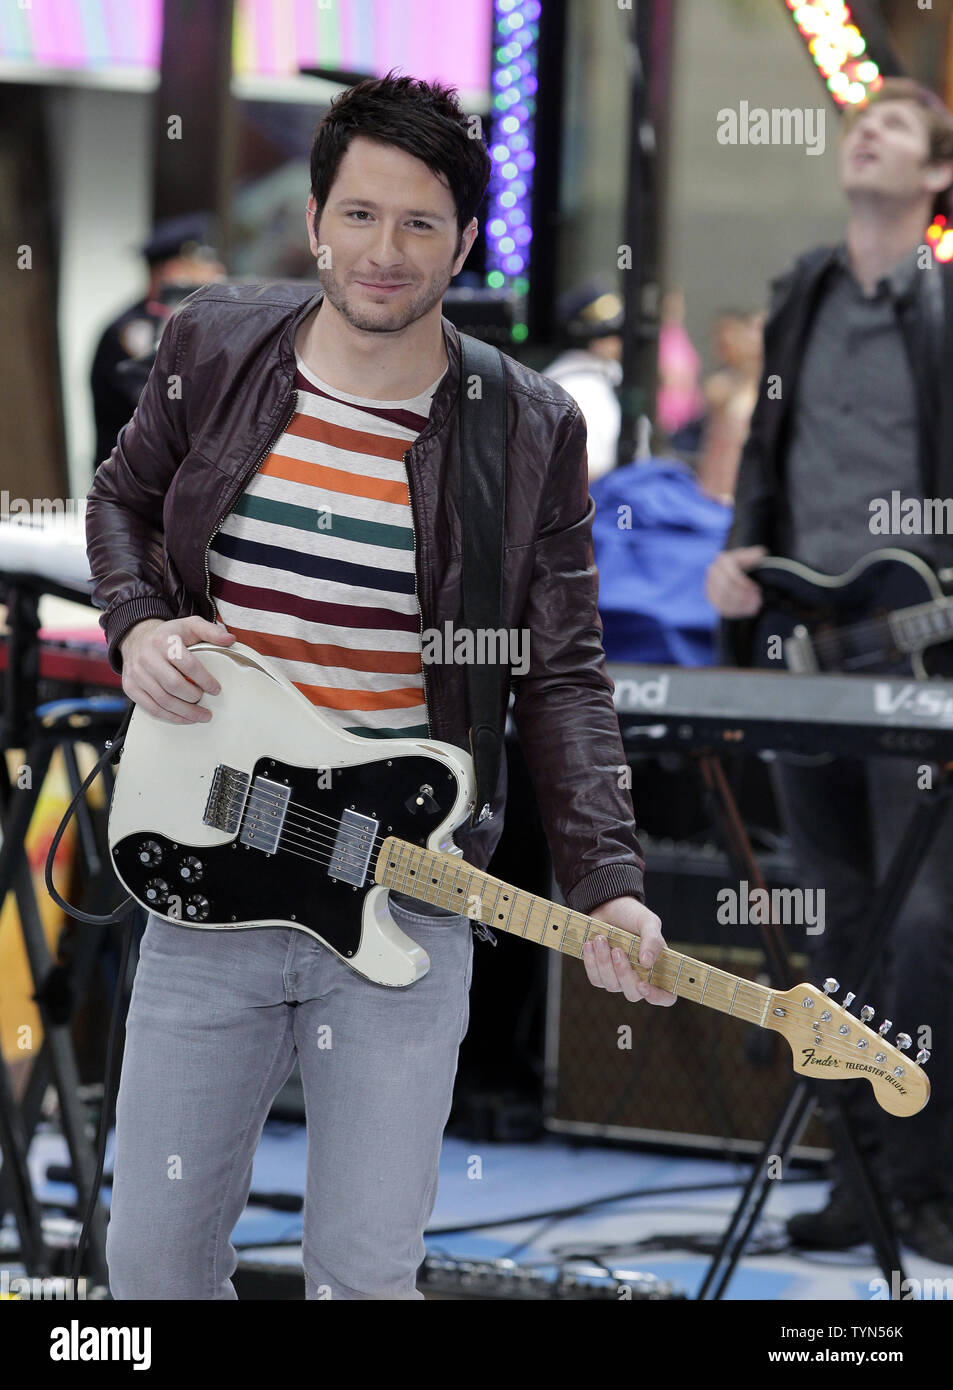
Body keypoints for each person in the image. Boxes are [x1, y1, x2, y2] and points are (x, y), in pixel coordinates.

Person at [85, 72, 675, 1301]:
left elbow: (559, 668)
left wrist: (607, 880)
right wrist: (136, 621)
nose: (384, 251)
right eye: (358, 215)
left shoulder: (524, 424)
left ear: (465, 240)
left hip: (402, 894)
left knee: (361, 1272)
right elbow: (122, 499)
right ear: (312, 222)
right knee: (148, 1266)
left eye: (418, 223)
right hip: (205, 863)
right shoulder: (215, 340)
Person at [706, 78, 953, 1263]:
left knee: (924, 921)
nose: (868, 131)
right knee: (838, 923)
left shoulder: (943, 306)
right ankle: (853, 1179)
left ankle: (926, 1183)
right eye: (863, 121)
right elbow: (768, 442)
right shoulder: (801, 288)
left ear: (936, 178)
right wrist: (735, 551)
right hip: (803, 648)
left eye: (897, 125)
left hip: (918, 656)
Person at [89, 214, 225, 470]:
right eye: (205, 264)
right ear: (175, 272)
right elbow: (164, 406)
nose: (218, 272)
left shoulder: (189, 325)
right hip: (131, 485)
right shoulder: (132, 331)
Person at [541, 279, 624, 481]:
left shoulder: (592, 380)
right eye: (610, 335)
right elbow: (589, 475)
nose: (619, 343)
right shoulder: (585, 389)